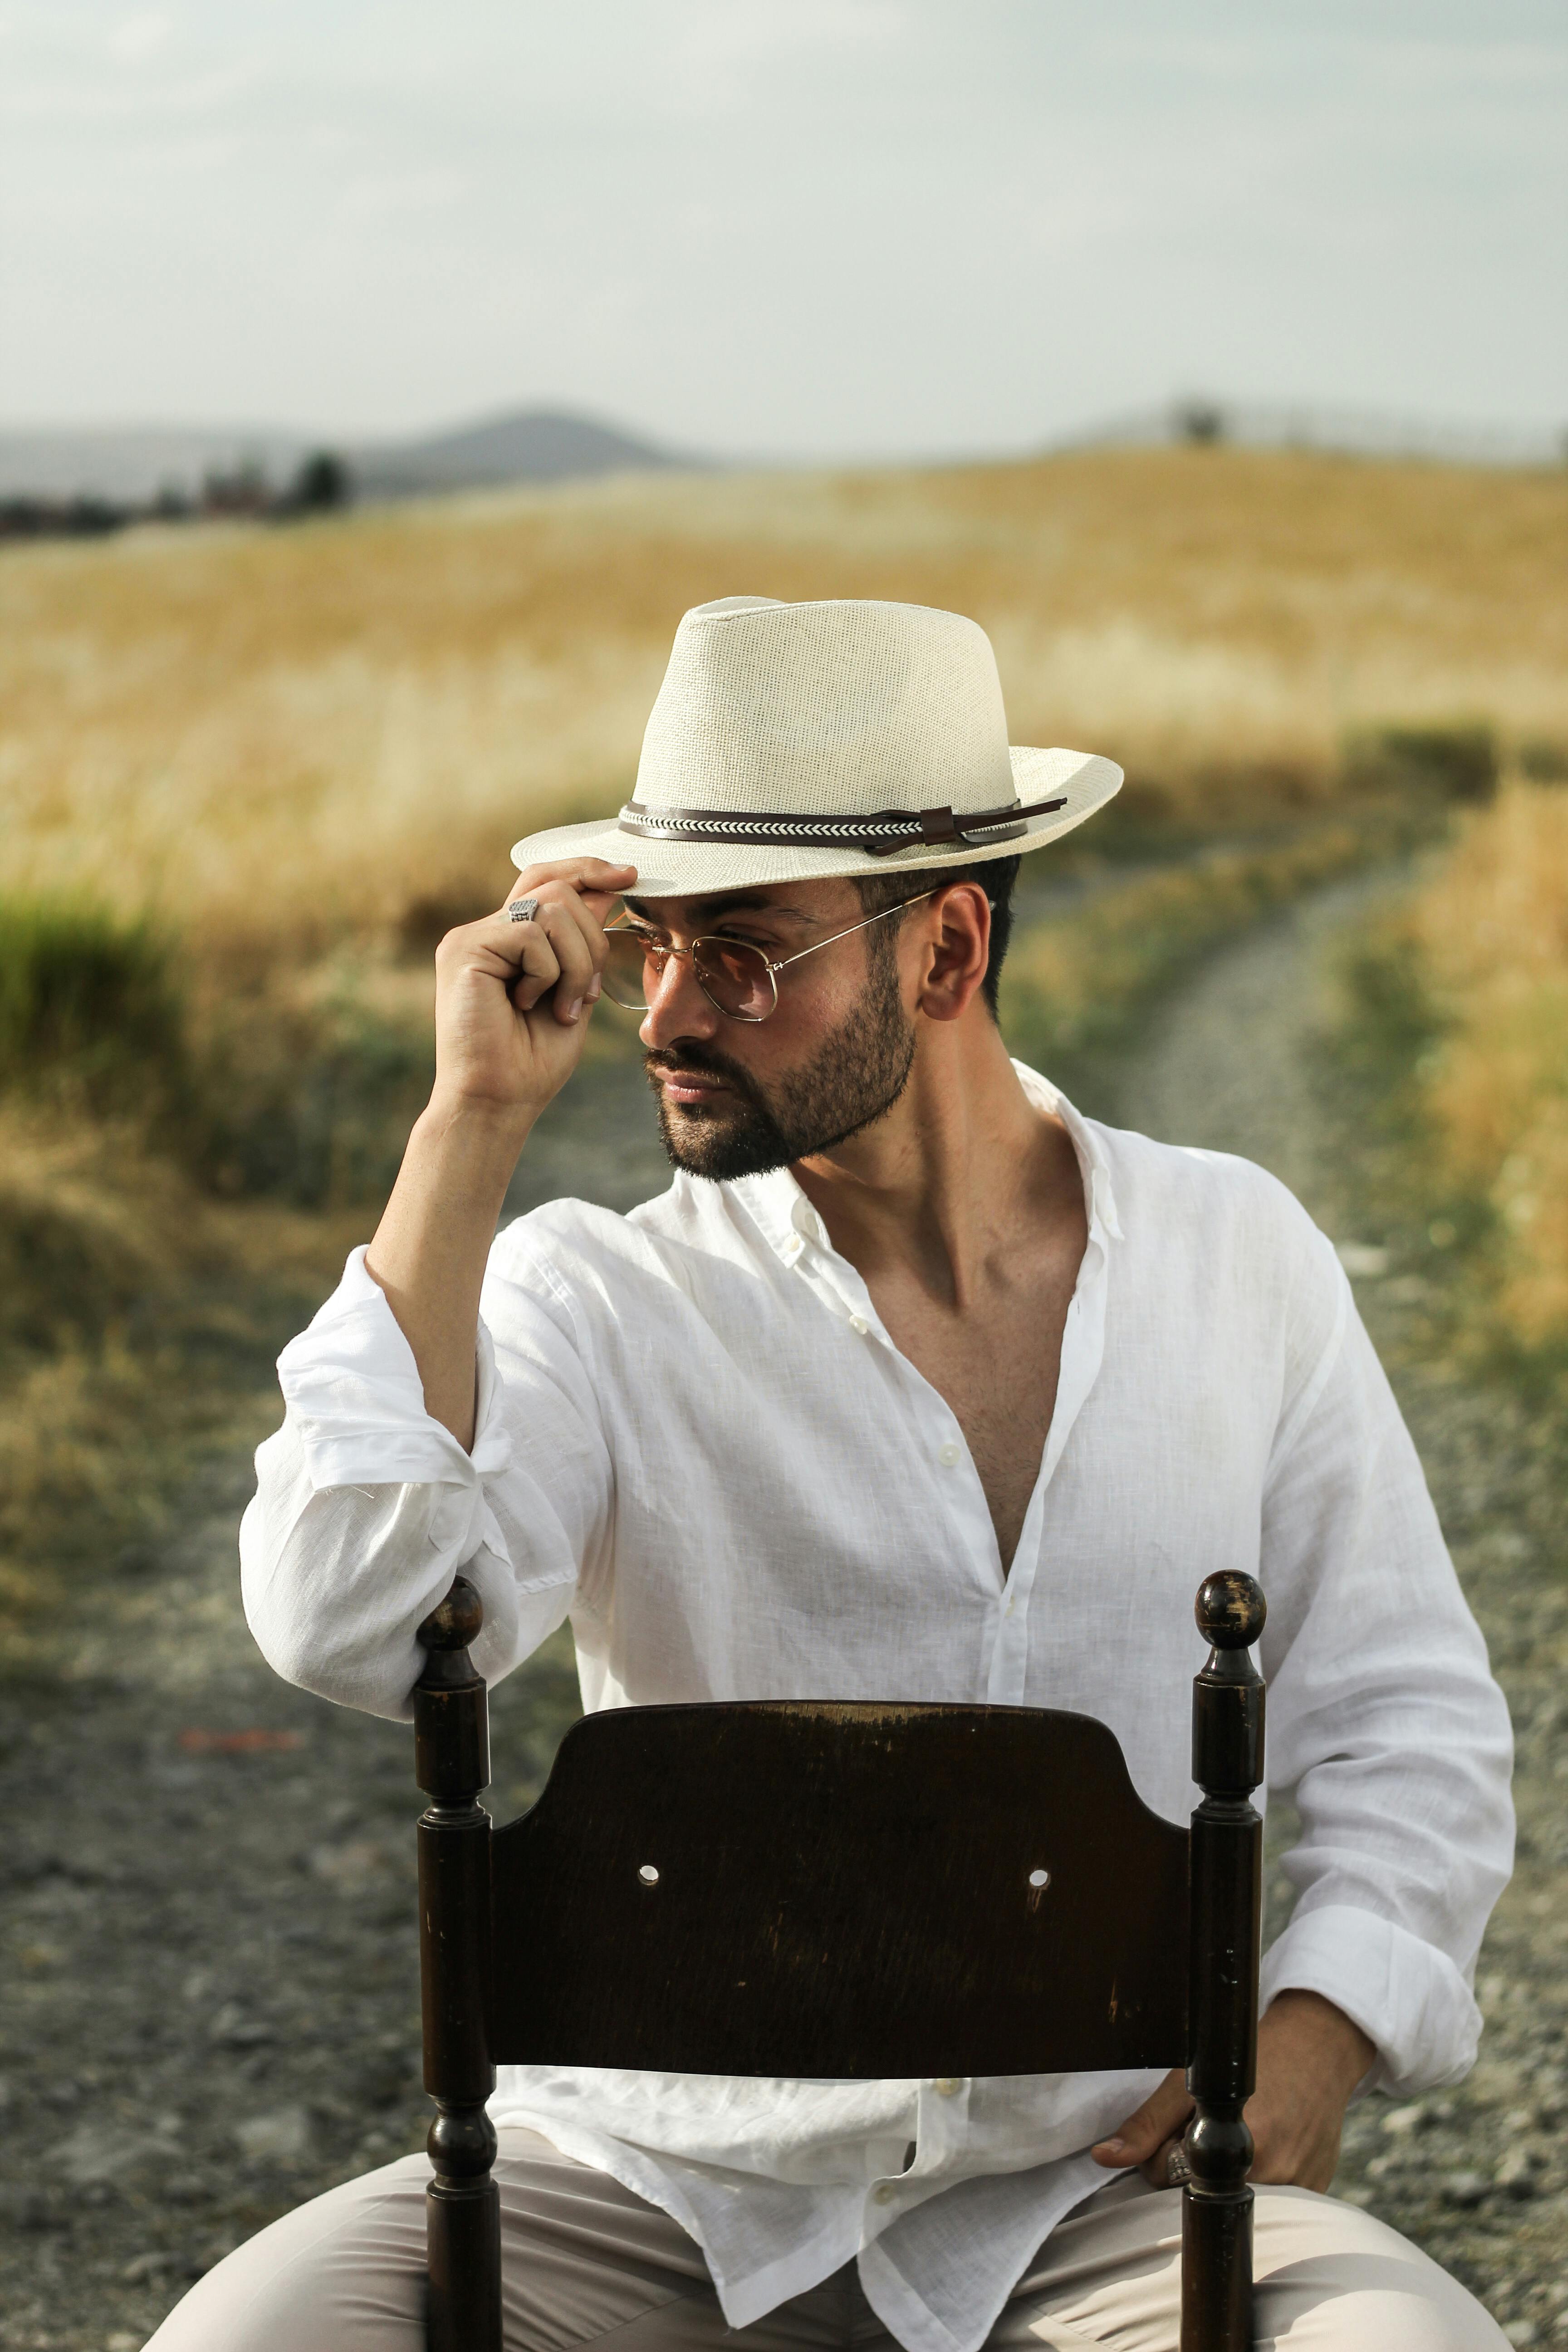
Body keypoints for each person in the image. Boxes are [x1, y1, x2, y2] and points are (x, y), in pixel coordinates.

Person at [152, 597, 1513, 2350]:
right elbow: (349, 1617)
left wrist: (1320, 2031)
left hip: (1093, 2190)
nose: (666, 1011)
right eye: (652, 944)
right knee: (241, 2342)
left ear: (946, 955)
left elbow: (1410, 1710)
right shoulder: (598, 1295)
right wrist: (466, 1123)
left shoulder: (1236, 1255)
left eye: (745, 952)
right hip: (654, 2186)